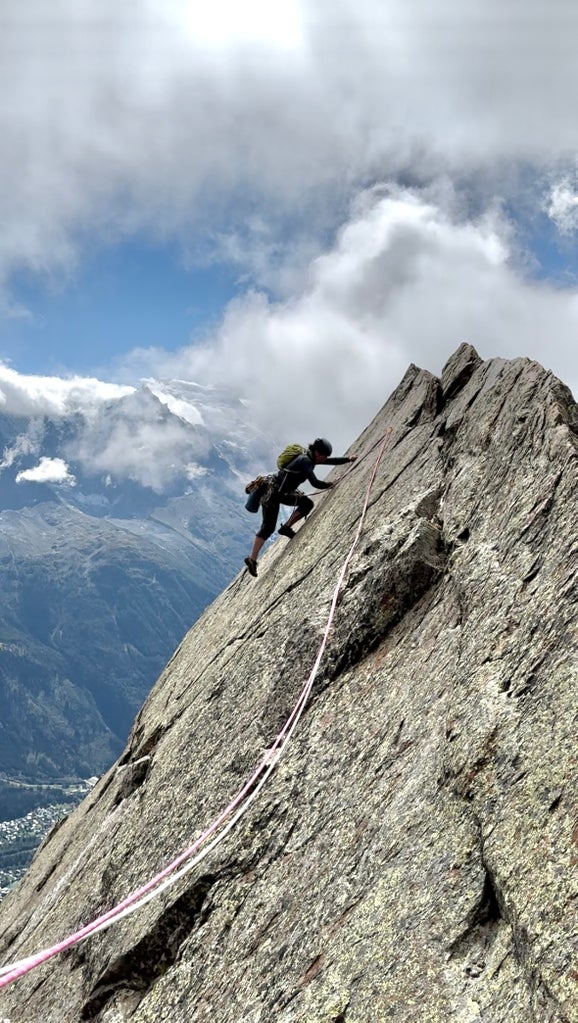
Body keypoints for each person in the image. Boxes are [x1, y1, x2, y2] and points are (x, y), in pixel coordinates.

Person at [244, 438, 355, 577]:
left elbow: (329, 461)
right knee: (268, 527)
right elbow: (315, 483)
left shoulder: (310, 457)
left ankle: (286, 528)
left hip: (281, 492)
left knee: (307, 504)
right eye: (323, 455)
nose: (324, 458)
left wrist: (348, 459)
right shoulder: (306, 461)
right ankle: (252, 559)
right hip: (273, 494)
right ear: (317, 452)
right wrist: (330, 484)